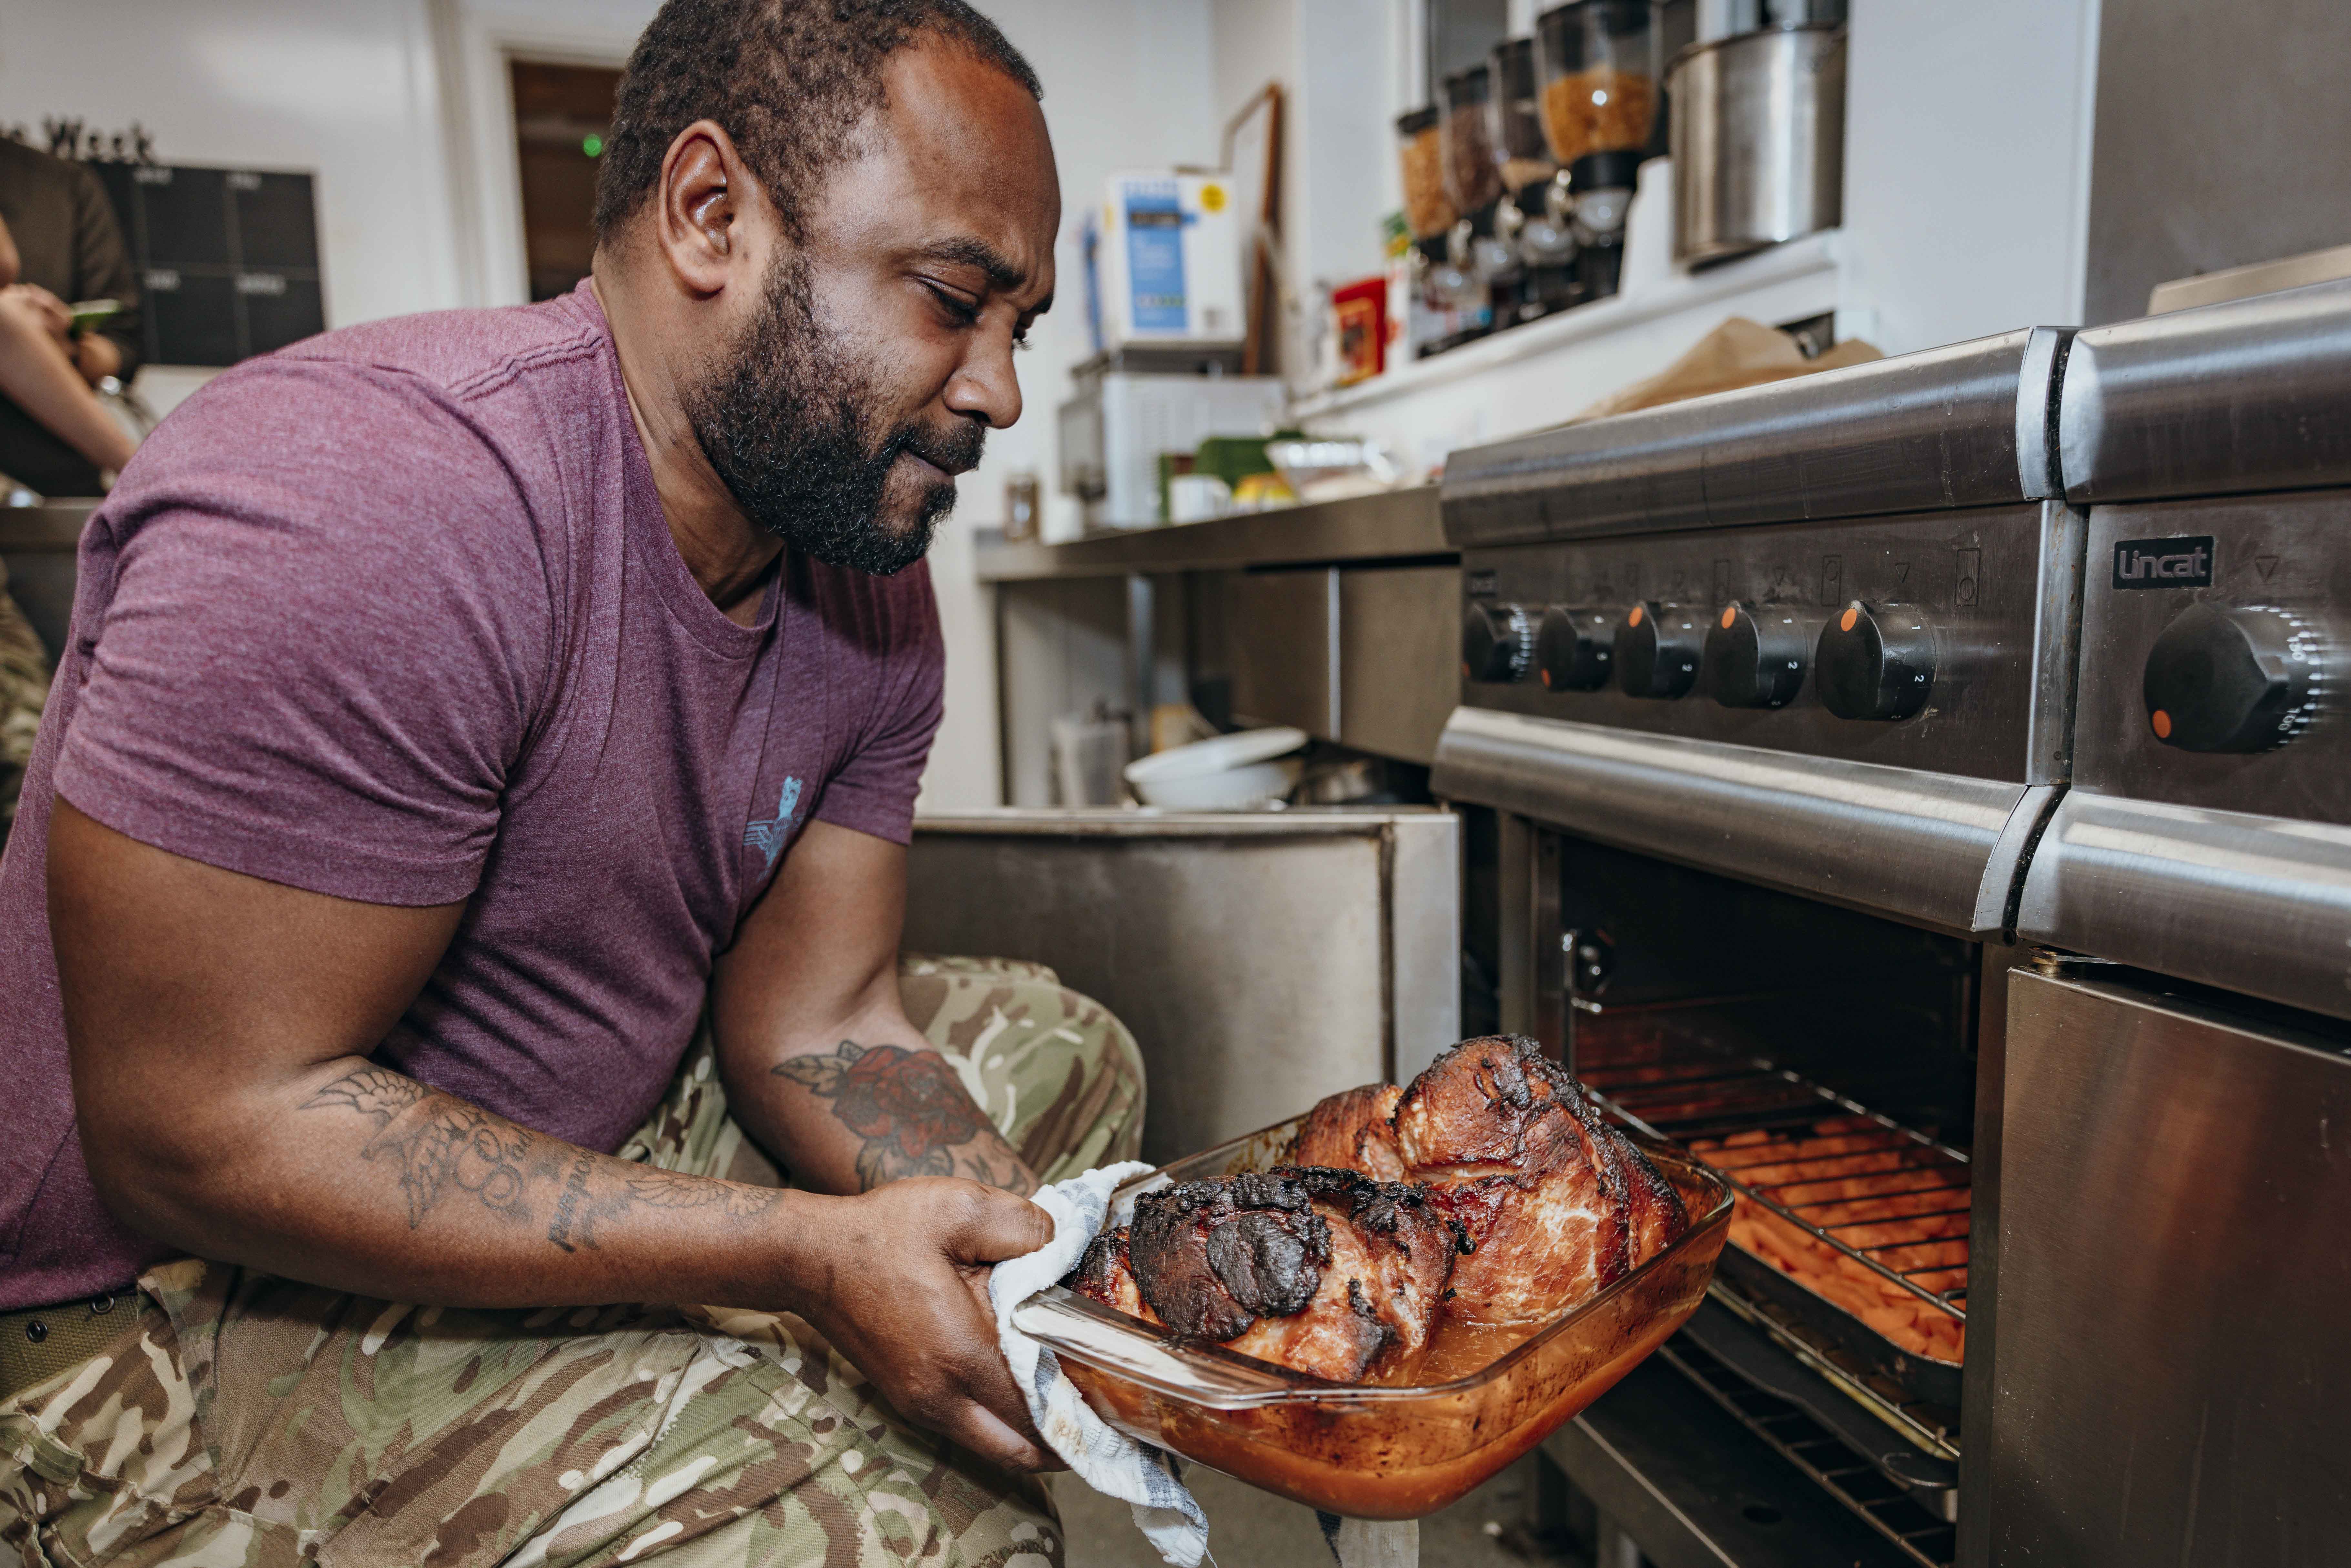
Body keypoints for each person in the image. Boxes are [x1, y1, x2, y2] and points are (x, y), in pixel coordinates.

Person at [0, 3, 1145, 1564]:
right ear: (710, 214)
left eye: (1023, 325)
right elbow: (198, 1133)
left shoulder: (863, 569)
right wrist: (804, 1258)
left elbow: (821, 1021)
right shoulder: (385, 506)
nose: (999, 392)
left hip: (573, 1112)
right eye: (952, 299)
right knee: (883, 1540)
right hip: (153, 1302)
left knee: (1066, 1061)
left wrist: (1011, 1265)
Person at [0, 140, 142, 493]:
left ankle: (146, 479)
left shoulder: (61, 183)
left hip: (50, 482)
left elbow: (122, 343)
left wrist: (70, 346)